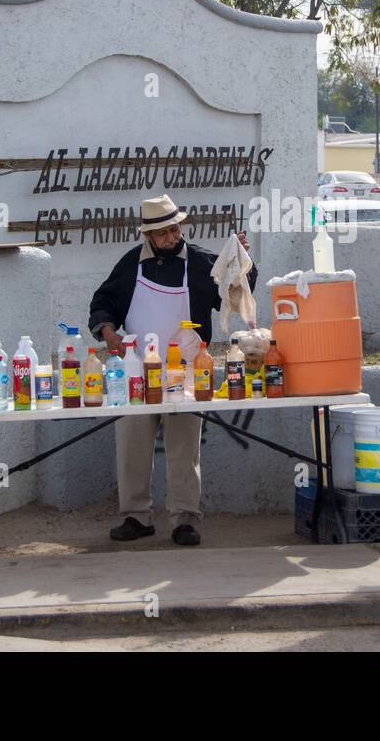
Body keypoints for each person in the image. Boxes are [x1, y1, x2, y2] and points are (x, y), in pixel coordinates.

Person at [89, 194, 255, 546]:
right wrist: (109, 334)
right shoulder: (130, 264)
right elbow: (102, 302)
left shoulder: (199, 262)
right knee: (133, 444)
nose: (171, 237)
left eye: (175, 229)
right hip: (137, 372)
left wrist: (240, 261)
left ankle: (184, 519)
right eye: (163, 232)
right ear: (147, 235)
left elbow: (235, 293)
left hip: (188, 372)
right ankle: (136, 516)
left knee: (184, 448)